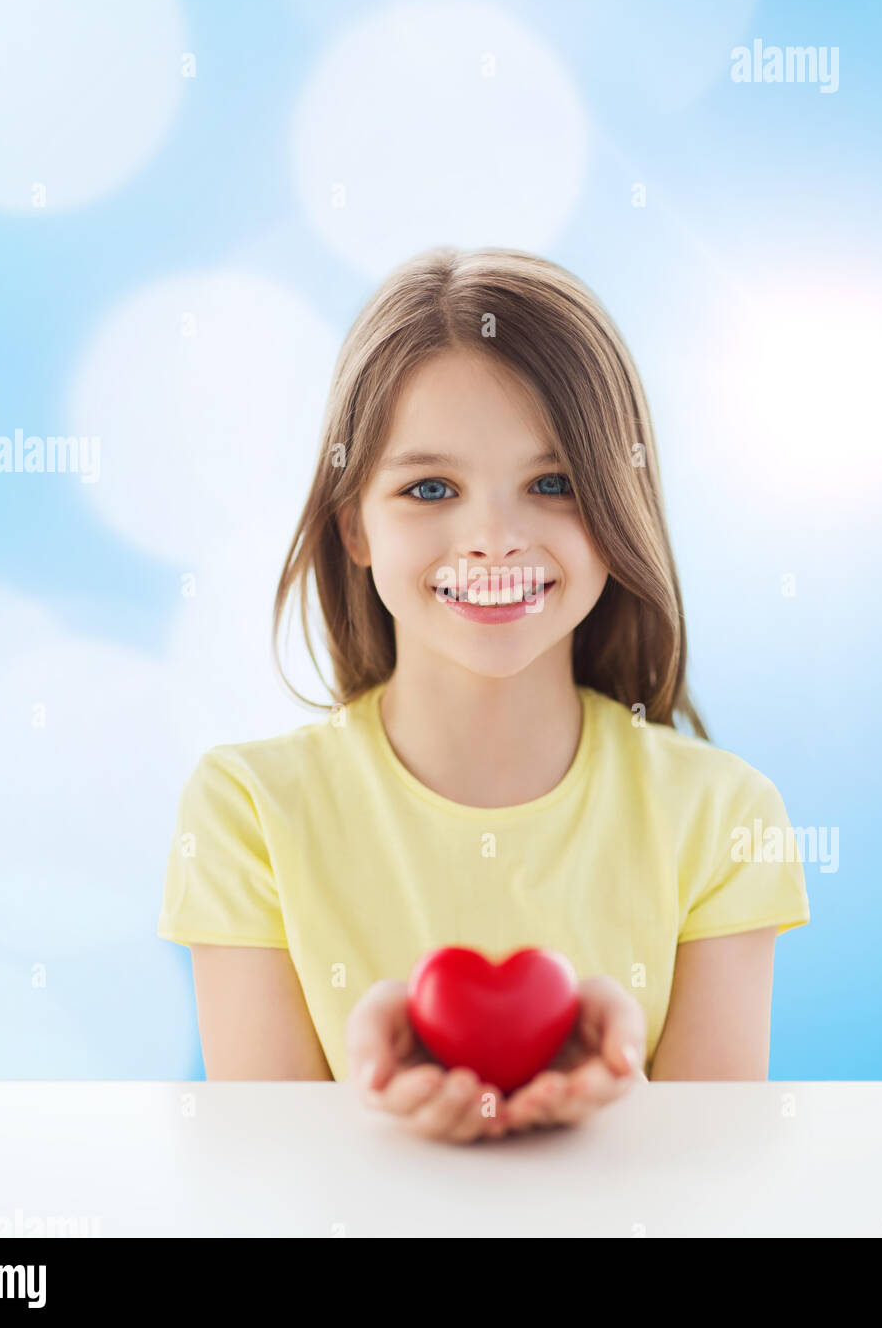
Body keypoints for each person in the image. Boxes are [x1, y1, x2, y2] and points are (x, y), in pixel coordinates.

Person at [158, 245, 810, 1143]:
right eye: (430, 487)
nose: (494, 539)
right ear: (354, 524)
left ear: (623, 504)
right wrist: (387, 1098)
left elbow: (714, 1187)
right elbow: (265, 1184)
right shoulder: (246, 812)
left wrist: (612, 1102)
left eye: (553, 484)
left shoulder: (722, 814)